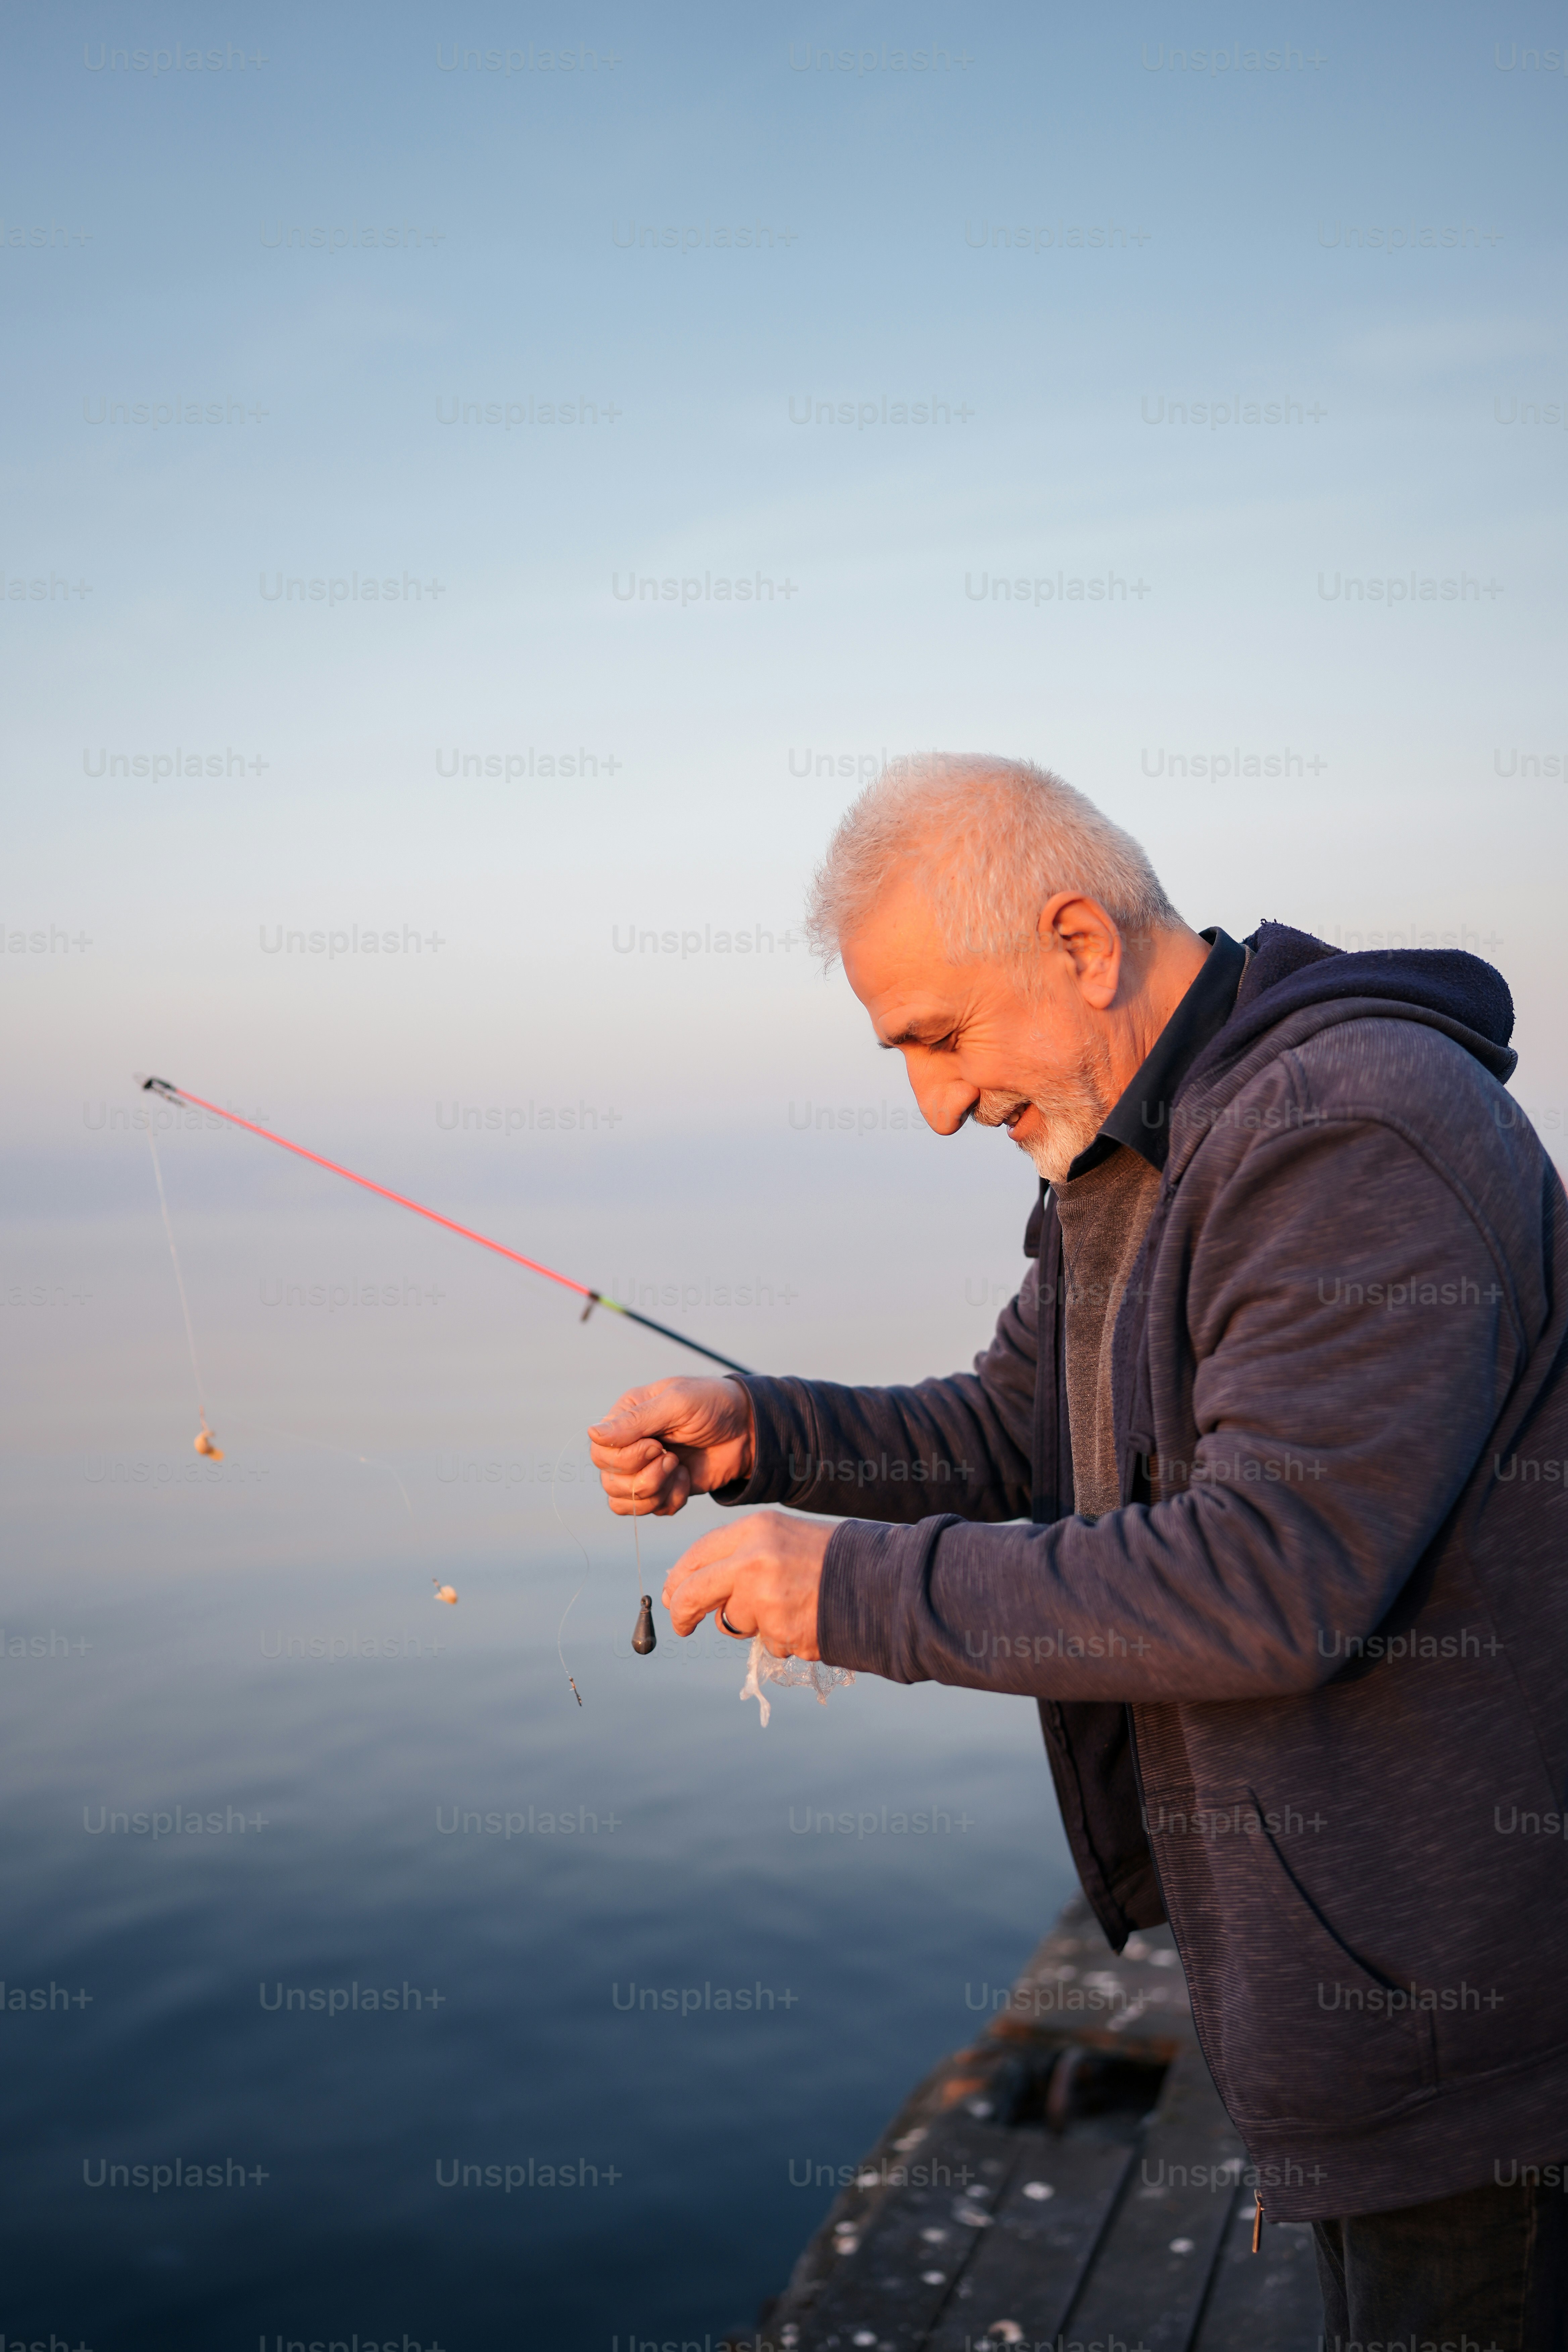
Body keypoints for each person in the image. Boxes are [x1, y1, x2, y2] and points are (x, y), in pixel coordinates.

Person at [588, 754, 1568, 2345]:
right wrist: (761, 1433)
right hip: (1343, 1993)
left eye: (940, 1037)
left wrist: (837, 1588)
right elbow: (1008, 1433)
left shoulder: (1346, 1134)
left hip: (1476, 2030)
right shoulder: (1131, 1151)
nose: (935, 1101)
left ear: (1081, 944)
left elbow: (1271, 1574)